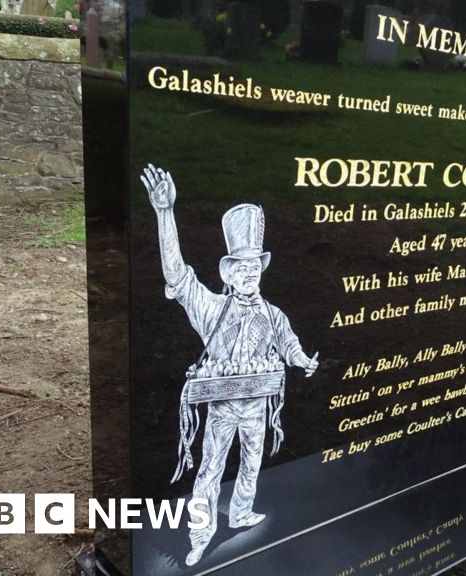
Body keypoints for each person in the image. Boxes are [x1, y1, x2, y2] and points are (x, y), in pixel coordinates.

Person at [141, 164, 319, 566]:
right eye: (242, 267)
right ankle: (200, 534)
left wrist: (301, 359)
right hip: (222, 406)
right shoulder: (212, 308)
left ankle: (239, 512)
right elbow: (177, 275)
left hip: (258, 405)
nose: (249, 273)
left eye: (255, 267)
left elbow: (289, 342)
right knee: (210, 468)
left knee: (252, 461)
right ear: (230, 273)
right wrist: (165, 213)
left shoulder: (272, 313)